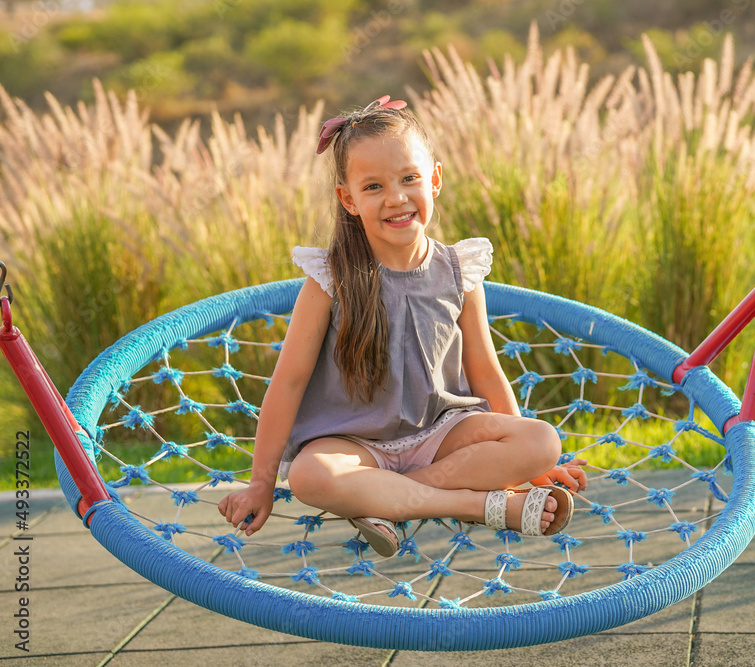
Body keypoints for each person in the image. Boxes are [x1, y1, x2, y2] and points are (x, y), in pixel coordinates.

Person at [218, 95, 587, 557]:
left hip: (442, 433)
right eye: (373, 187)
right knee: (310, 476)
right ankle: (480, 505)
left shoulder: (459, 269)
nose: (396, 198)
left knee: (540, 439)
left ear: (433, 180)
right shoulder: (330, 278)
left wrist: (533, 470)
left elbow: (486, 371)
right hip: (354, 443)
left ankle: (385, 501)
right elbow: (288, 383)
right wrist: (260, 484)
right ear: (348, 199)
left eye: (409, 178)